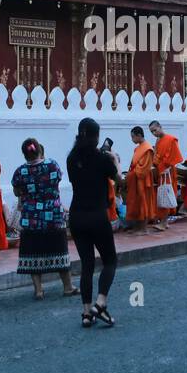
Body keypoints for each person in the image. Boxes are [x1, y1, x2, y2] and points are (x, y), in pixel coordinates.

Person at [66, 117, 124, 328]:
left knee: (87, 265)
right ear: (96, 136)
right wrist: (115, 160)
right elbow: (119, 180)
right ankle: (100, 304)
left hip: (77, 216)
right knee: (110, 260)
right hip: (97, 216)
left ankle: (86, 313)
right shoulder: (102, 159)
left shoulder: (71, 158)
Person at [11, 138, 77, 300]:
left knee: (32, 251)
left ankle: (39, 290)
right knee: (59, 249)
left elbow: (16, 192)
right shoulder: (52, 165)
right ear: (39, 150)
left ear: (24, 154)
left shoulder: (20, 171)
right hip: (52, 217)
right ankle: (68, 286)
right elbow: (57, 180)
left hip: (30, 218)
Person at [149, 121, 183, 227]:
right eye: (152, 131)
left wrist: (163, 166)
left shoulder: (171, 139)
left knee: (165, 194)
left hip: (168, 171)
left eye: (155, 130)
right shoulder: (158, 140)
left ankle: (163, 223)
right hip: (160, 170)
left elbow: (175, 157)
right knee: (162, 195)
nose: (154, 133)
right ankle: (164, 222)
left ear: (160, 127)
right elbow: (156, 155)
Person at [125, 126, 158, 230]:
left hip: (143, 180)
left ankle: (144, 229)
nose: (132, 139)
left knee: (143, 202)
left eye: (133, 137)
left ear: (139, 135)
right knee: (137, 203)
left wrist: (132, 173)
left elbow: (143, 168)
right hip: (135, 179)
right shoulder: (138, 147)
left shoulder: (147, 149)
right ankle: (138, 227)